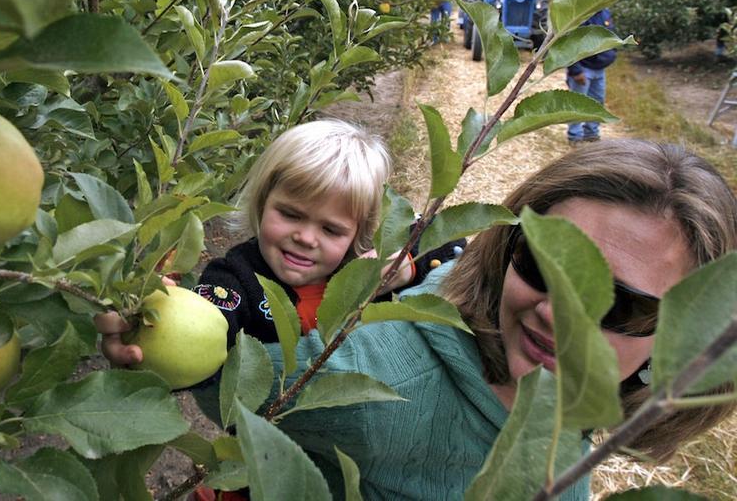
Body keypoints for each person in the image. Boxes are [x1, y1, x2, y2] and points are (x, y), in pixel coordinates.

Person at [99, 139, 737, 500]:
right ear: (508, 249)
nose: (559, 315)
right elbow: (242, 379)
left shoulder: (558, 395)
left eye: (619, 305)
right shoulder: (386, 390)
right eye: (547, 266)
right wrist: (154, 334)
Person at [100, 119, 464, 365]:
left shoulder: (364, 269)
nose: (305, 238)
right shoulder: (235, 279)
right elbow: (211, 330)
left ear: (359, 233)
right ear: (262, 203)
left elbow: (448, 239)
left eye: (332, 230)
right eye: (290, 215)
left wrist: (404, 263)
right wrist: (154, 322)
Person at [566, 8, 617, 143]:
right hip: (583, 67)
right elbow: (569, 44)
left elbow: (610, 34)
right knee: (578, 103)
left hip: (600, 69)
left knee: (597, 101)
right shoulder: (581, 14)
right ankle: (575, 136)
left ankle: (591, 133)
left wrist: (612, 52)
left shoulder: (605, 13)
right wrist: (575, 70)